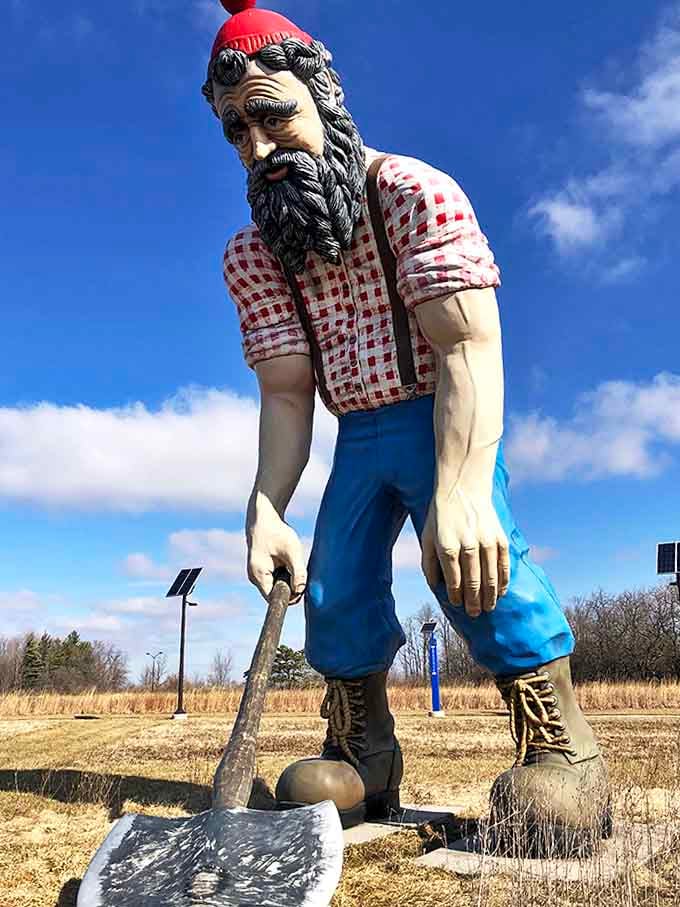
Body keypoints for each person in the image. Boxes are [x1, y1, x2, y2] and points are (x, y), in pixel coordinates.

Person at [203, 0, 611, 853]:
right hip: (358, 432)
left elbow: (468, 345)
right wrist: (266, 507)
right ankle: (362, 753)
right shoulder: (257, 253)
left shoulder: (411, 194)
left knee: (472, 560)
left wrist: (462, 491)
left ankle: (559, 746)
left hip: (441, 415)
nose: (260, 148)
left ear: (324, 98)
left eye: (274, 116)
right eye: (238, 129)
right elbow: (287, 395)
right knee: (334, 584)